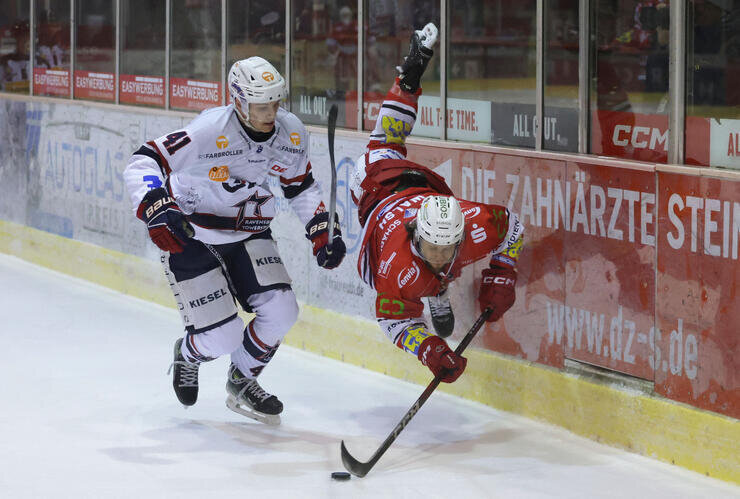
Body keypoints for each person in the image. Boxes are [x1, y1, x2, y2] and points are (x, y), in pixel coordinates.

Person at [123, 56, 346, 424]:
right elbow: (145, 160)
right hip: (193, 234)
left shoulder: (290, 132)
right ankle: (189, 354)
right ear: (239, 100)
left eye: (275, 103)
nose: (271, 113)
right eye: (261, 105)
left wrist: (321, 229)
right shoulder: (210, 129)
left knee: (283, 310)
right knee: (224, 337)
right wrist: (155, 205)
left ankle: (243, 378)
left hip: (248, 230)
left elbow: (300, 185)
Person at [349, 23, 524, 383]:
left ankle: (436, 290)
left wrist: (503, 272)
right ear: (415, 234)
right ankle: (409, 76)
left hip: (426, 191)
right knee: (386, 141)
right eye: (433, 246)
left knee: (438, 269)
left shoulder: (475, 224)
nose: (443, 254)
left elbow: (512, 225)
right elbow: (393, 320)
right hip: (376, 188)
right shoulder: (395, 268)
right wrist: (428, 347)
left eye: (449, 247)